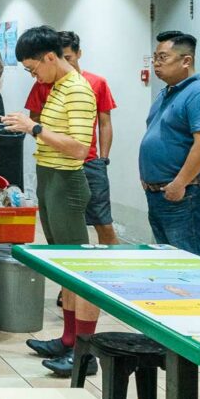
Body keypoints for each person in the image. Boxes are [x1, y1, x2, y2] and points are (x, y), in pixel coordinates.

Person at [2, 26, 100, 377]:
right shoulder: (57, 86)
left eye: (32, 69)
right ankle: (69, 339)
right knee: (63, 266)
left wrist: (35, 128)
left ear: (49, 57)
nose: (33, 76)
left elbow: (78, 147)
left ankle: (84, 354)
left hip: (66, 183)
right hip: (49, 178)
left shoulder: (77, 90)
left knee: (80, 272)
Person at [26, 31, 118, 245]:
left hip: (89, 162)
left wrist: (103, 159)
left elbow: (104, 123)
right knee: (60, 233)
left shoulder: (89, 85)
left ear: (78, 54)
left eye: (67, 58)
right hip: (57, 164)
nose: (63, 62)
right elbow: (36, 120)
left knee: (102, 223)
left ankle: (113, 269)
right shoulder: (45, 84)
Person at [139, 31, 200, 256]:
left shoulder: (198, 94)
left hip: (184, 194)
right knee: (170, 260)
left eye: (163, 58)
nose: (156, 64)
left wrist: (179, 183)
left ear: (186, 60)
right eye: (155, 57)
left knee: (190, 260)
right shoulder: (166, 93)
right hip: (159, 192)